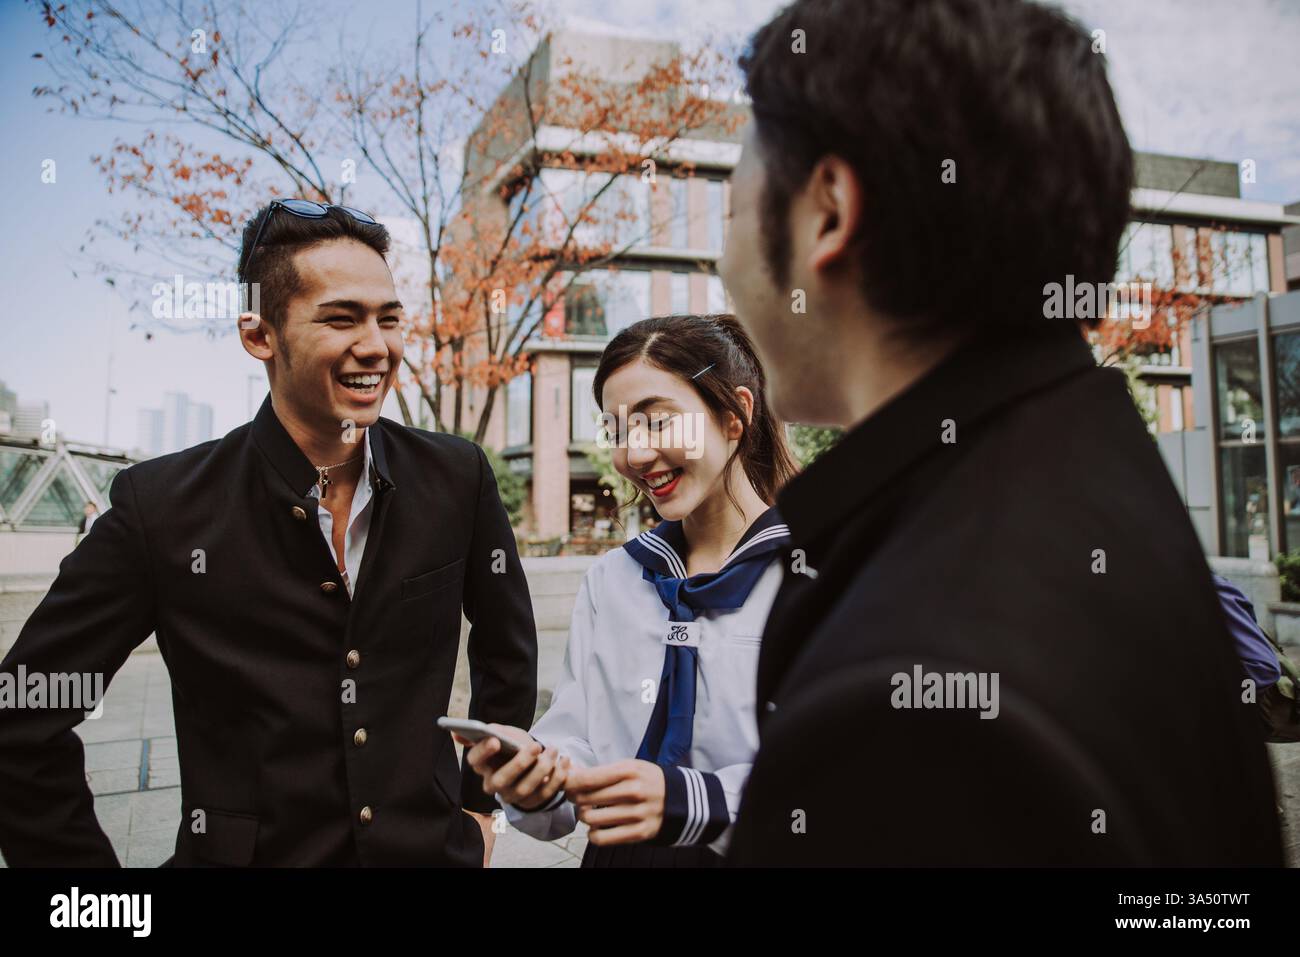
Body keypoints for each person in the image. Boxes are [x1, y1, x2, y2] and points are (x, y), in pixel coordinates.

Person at [717, 0, 1281, 865]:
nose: (722, 264)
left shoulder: (904, 706)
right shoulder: (1103, 478)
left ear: (827, 211)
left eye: (729, 210)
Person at [0, 200, 538, 866]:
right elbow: (21, 715)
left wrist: (480, 810)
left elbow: (507, 655)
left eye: (389, 318)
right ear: (260, 335)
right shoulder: (162, 506)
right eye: (342, 317)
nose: (376, 345)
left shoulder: (457, 476)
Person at [458, 314, 797, 866]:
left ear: (736, 415)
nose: (633, 456)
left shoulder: (817, 577)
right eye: (616, 431)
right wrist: (540, 778)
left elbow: (845, 772)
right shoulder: (614, 581)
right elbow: (581, 742)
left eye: (657, 422)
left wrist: (692, 800)